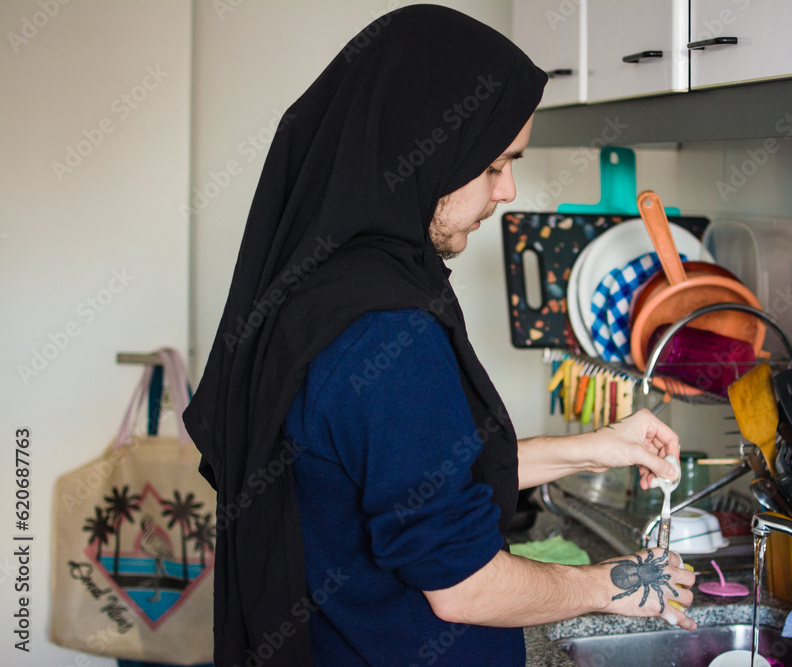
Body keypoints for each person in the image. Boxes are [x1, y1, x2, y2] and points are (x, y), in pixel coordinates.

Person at [183, 6, 695, 666]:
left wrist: (594, 449)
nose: (507, 190)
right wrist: (613, 584)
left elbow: (419, 474)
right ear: (424, 153)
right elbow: (464, 587)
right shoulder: (385, 333)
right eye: (494, 166)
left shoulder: (330, 285)